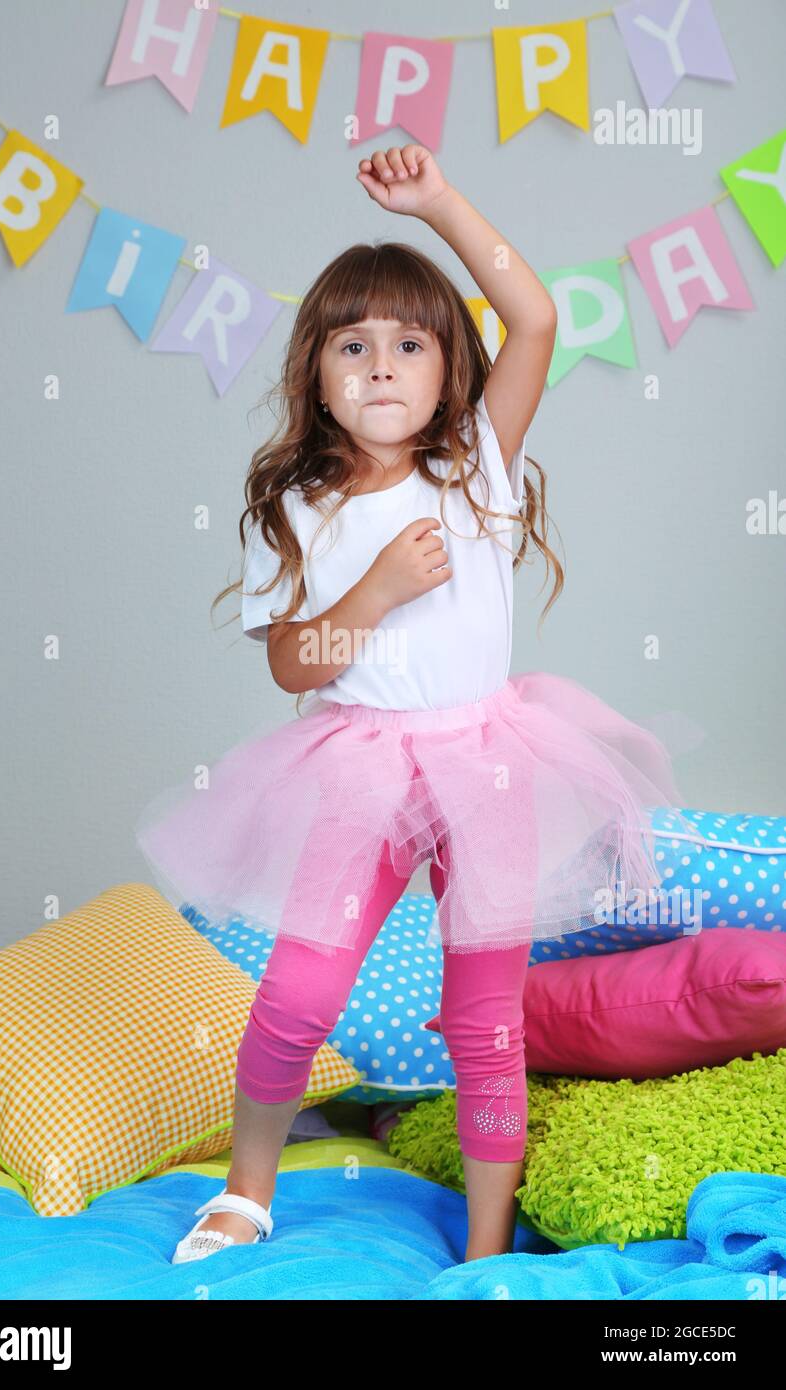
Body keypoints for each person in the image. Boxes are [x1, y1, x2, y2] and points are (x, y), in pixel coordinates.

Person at [136, 144, 698, 1265]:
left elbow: (532, 318)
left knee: (485, 1018)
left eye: (408, 343)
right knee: (298, 988)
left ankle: (487, 1245)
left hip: (486, 757)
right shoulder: (292, 506)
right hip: (358, 763)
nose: (381, 365)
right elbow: (296, 665)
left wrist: (435, 201)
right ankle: (247, 1190)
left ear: (448, 370)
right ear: (315, 371)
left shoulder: (477, 467)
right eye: (352, 344)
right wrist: (375, 587)